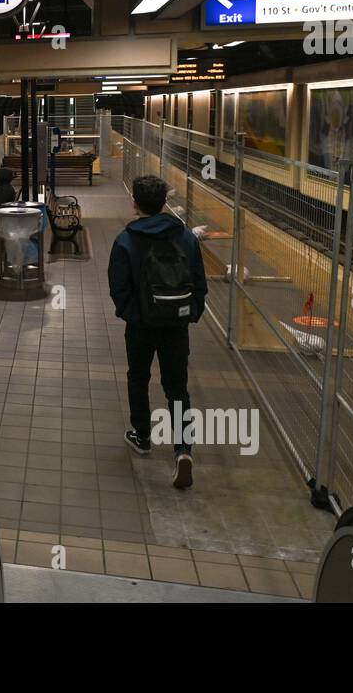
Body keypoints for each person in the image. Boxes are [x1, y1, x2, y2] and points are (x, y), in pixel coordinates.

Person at [107, 175, 207, 489]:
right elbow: (199, 282)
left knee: (138, 377)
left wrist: (133, 314)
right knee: (177, 387)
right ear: (163, 202)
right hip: (175, 325)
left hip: (140, 326)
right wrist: (189, 314)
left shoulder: (126, 240)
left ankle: (143, 436)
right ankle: (182, 450)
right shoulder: (187, 238)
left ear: (135, 202)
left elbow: (118, 287)